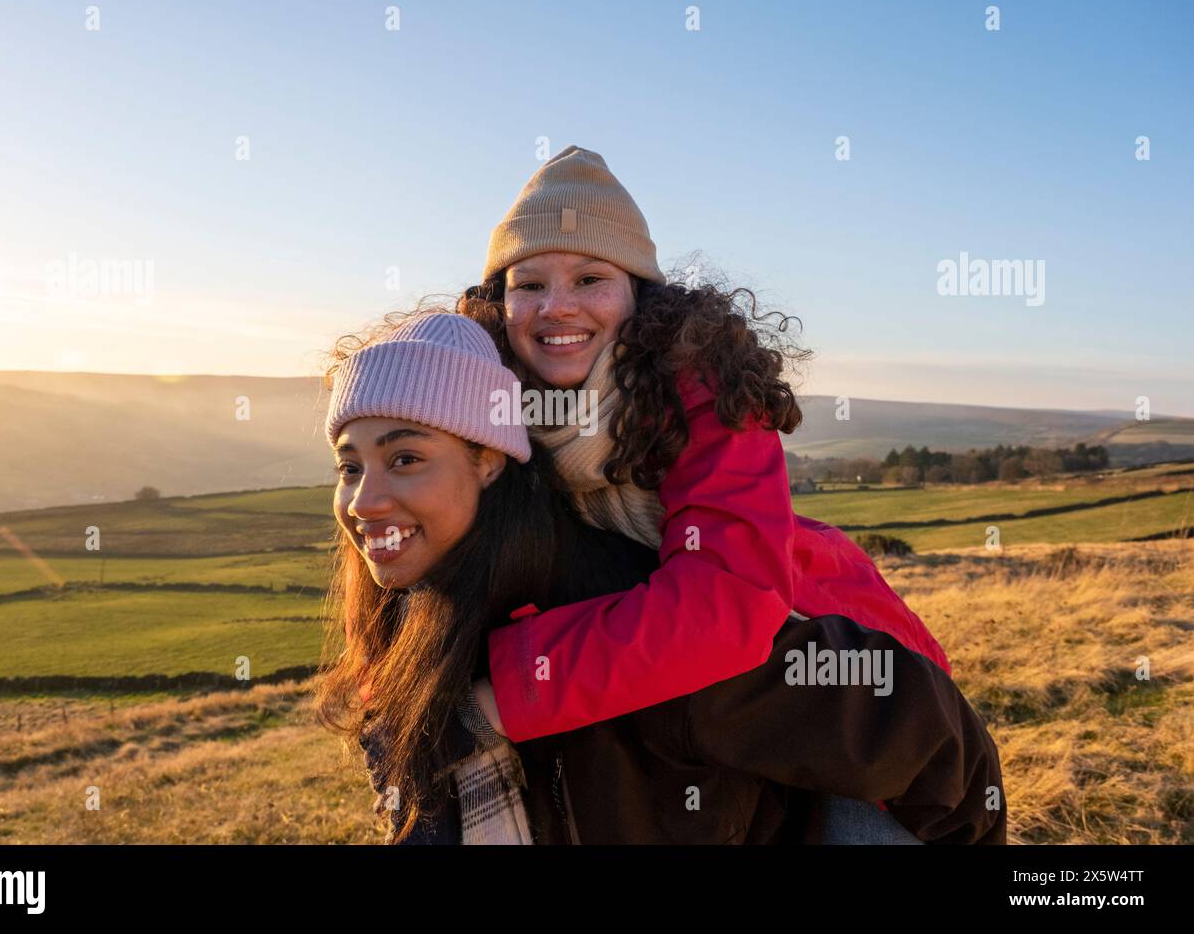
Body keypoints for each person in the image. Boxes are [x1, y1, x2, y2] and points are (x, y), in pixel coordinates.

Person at [313, 312, 1006, 845]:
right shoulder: (418, 629)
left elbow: (917, 724)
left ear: (490, 461)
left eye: (406, 458)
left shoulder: (637, 630)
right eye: (350, 466)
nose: (364, 501)